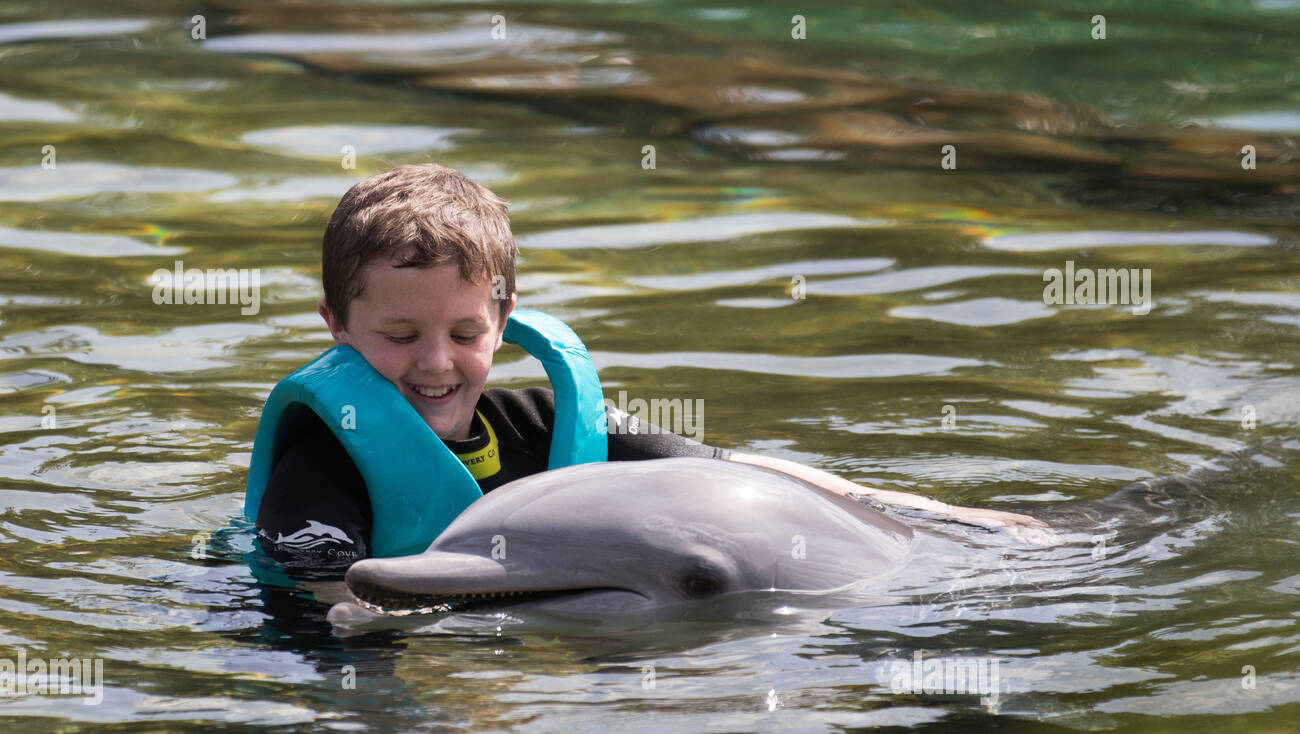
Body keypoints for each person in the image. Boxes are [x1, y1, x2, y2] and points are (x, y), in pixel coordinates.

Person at [255, 163, 1043, 574]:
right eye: (399, 333)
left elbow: (731, 473)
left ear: (504, 319)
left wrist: (929, 513)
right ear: (335, 327)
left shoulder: (540, 423)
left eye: (465, 331)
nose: (436, 363)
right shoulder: (322, 464)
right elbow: (326, 603)